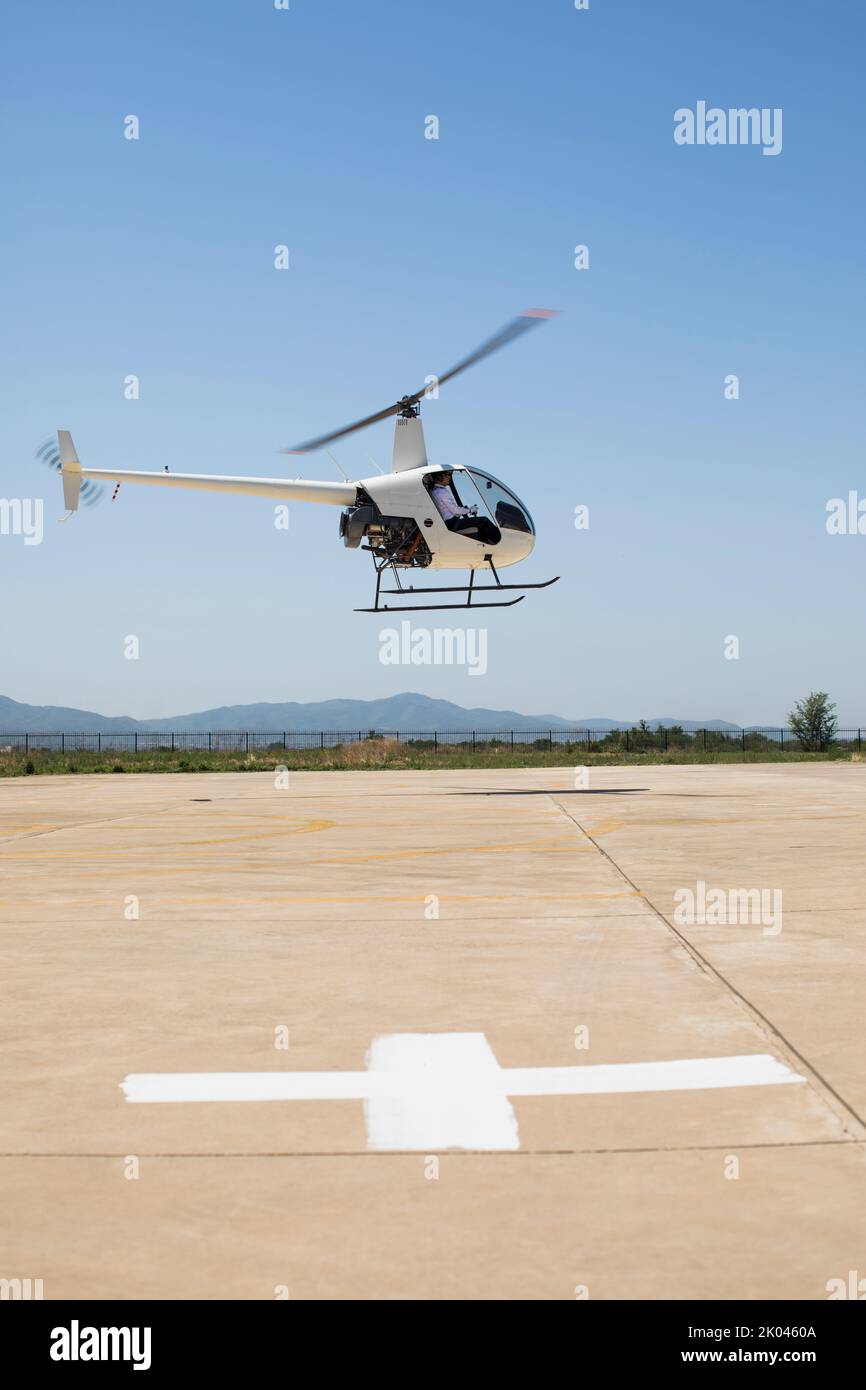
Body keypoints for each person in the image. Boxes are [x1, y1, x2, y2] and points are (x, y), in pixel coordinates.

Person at [427, 472, 500, 545]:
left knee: (481, 525)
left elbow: (449, 509)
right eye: (447, 475)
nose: (449, 477)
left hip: (451, 522)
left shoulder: (435, 490)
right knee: (484, 520)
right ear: (440, 477)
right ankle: (498, 541)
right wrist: (470, 510)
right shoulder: (440, 491)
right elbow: (454, 510)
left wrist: (464, 509)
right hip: (452, 523)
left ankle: (488, 543)